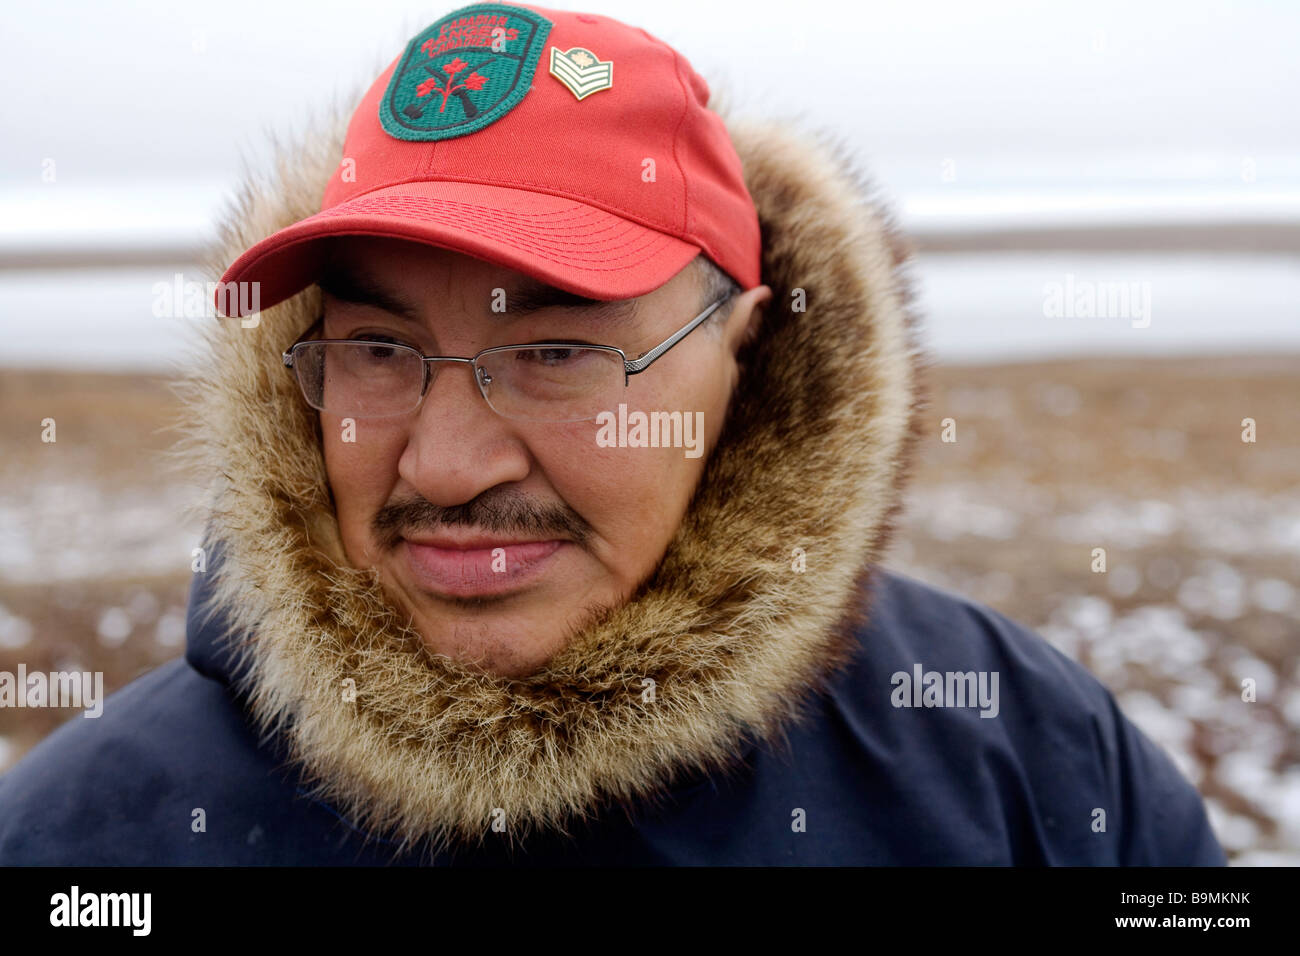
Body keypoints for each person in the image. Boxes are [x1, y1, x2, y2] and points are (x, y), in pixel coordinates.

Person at [0, 2, 1226, 865]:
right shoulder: (85, 837)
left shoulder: (1030, 767)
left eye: (555, 353)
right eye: (377, 351)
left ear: (745, 350)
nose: (442, 464)